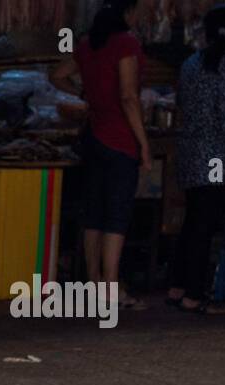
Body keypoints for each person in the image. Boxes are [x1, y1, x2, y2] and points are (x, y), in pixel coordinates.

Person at [50, 0, 149, 309]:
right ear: (127, 13)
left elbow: (57, 75)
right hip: (119, 140)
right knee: (116, 215)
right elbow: (129, 96)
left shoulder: (87, 44)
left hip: (93, 137)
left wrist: (87, 95)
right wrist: (143, 144)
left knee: (94, 211)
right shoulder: (126, 43)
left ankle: (94, 282)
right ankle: (111, 288)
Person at [165, 4, 225, 314]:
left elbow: (183, 104)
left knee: (192, 222)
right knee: (204, 224)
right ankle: (194, 294)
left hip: (190, 153)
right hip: (214, 158)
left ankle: (177, 286)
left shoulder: (190, 64)